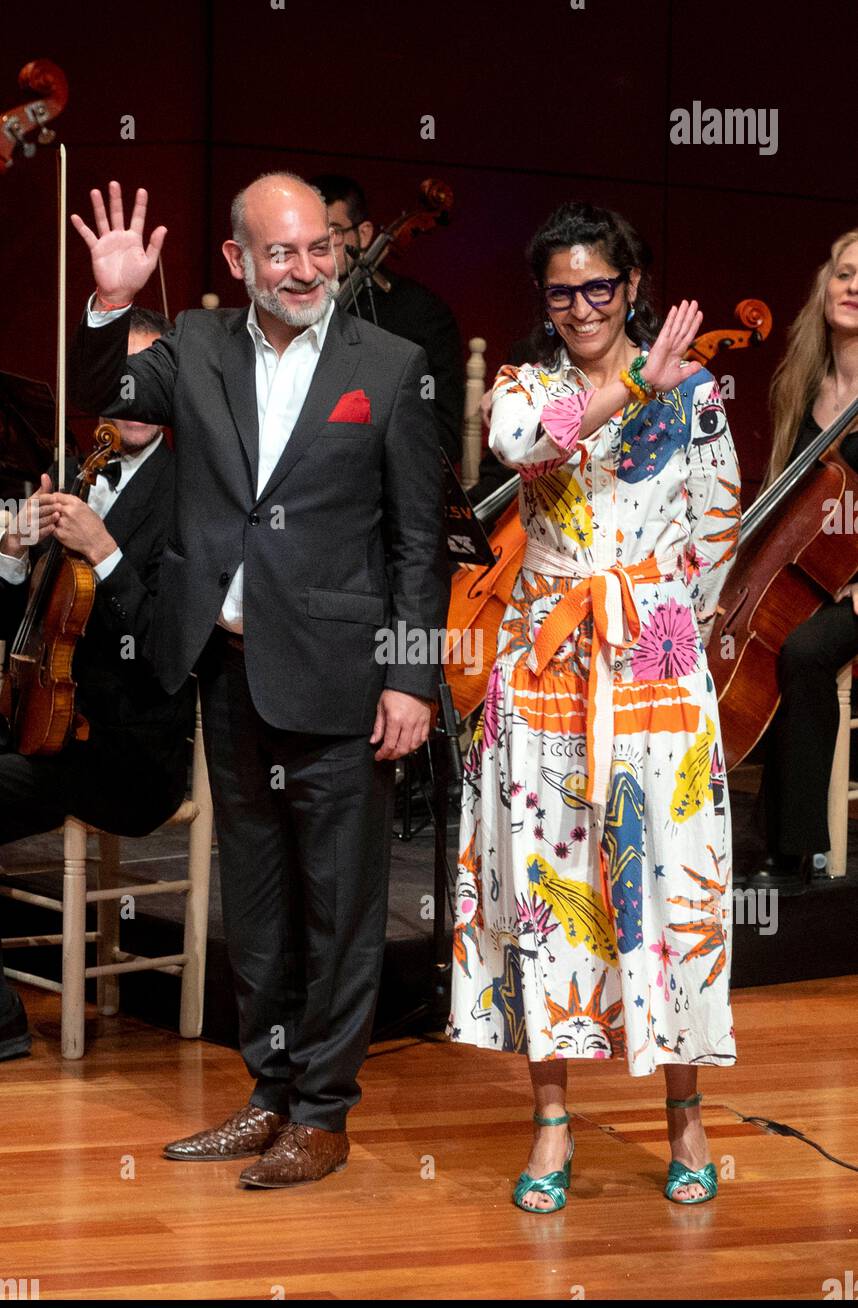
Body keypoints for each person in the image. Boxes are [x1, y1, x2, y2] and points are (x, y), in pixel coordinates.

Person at [68, 174, 449, 1187]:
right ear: (238, 261)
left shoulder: (393, 364)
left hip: (341, 676)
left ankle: (323, 1111)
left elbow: (419, 545)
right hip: (227, 673)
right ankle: (268, 1092)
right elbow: (107, 403)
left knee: (341, 903)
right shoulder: (192, 350)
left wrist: (410, 679)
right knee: (262, 902)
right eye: (280, 252)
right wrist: (112, 304)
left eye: (319, 247)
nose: (306, 268)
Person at [447, 202, 741, 1211]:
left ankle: (686, 1114)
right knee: (546, 891)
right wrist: (628, 386)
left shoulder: (695, 389)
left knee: (674, 889)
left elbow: (716, 528)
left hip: (652, 663)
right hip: (543, 666)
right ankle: (553, 1126)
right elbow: (525, 448)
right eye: (561, 291)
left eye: (599, 288)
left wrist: (663, 628)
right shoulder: (528, 386)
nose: (580, 306)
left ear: (633, 286)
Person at [0, 307, 194, 1061]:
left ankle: (4, 1022)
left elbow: (167, 648)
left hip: (125, 750)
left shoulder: (191, 494)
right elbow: (26, 625)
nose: (128, 395)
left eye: (145, 377)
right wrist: (18, 553)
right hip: (48, 725)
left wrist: (105, 550)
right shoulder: (78, 470)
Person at [739, 229, 858, 895]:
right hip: (811, 575)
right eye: (844, 274)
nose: (853, 288)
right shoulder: (803, 386)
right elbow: (780, 496)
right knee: (767, 638)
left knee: (806, 651)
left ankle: (799, 849)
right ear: (825, 287)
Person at [311, 173, 464, 466]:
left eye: (332, 233)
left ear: (365, 234)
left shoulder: (422, 315)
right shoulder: (291, 308)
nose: (318, 250)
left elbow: (442, 437)